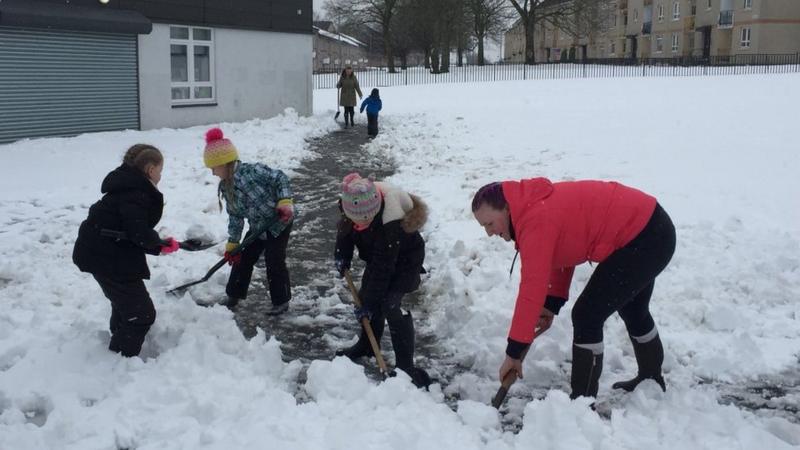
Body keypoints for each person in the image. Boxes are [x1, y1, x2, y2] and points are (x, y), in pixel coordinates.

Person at [471, 178, 676, 400]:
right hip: (652, 226)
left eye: (490, 224)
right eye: (484, 227)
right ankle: (650, 378)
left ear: (507, 208)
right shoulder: (534, 207)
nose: (489, 233)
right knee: (633, 309)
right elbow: (564, 251)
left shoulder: (535, 221)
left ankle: (582, 403)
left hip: (645, 236)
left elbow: (532, 289)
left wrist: (514, 351)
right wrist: (551, 304)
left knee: (587, 315)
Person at [73, 144, 179, 357]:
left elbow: (129, 231)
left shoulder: (127, 185)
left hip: (104, 253)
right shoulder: (135, 193)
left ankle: (118, 344)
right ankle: (120, 356)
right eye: (160, 170)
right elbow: (138, 232)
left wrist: (159, 245)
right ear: (150, 169)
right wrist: (158, 244)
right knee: (142, 315)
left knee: (126, 305)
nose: (160, 175)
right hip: (107, 258)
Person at [334, 173, 431, 388]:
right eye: (357, 220)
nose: (361, 223)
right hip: (379, 259)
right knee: (366, 296)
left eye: (366, 220)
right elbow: (345, 232)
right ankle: (368, 345)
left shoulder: (391, 222)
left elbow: (383, 267)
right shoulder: (352, 206)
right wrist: (342, 255)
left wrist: (369, 304)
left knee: (390, 304)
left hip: (405, 262)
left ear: (376, 209)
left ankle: (406, 366)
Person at [204, 127, 295, 315]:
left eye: (214, 168)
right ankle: (233, 295)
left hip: (279, 222)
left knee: (274, 260)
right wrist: (233, 243)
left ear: (225, 163)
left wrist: (284, 201)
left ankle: (281, 301)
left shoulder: (253, 172)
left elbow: (281, 178)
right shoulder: (226, 187)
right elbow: (236, 216)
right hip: (257, 227)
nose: (213, 173)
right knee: (242, 258)